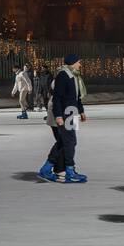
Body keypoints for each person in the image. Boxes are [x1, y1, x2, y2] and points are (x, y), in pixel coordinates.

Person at [38, 55, 87, 183]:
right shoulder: (63, 75)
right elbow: (57, 98)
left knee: (67, 142)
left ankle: (48, 168)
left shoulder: (74, 76)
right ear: (72, 63)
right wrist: (59, 116)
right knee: (69, 142)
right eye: (78, 62)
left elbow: (76, 97)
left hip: (71, 112)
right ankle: (68, 171)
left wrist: (81, 111)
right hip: (65, 113)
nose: (80, 65)